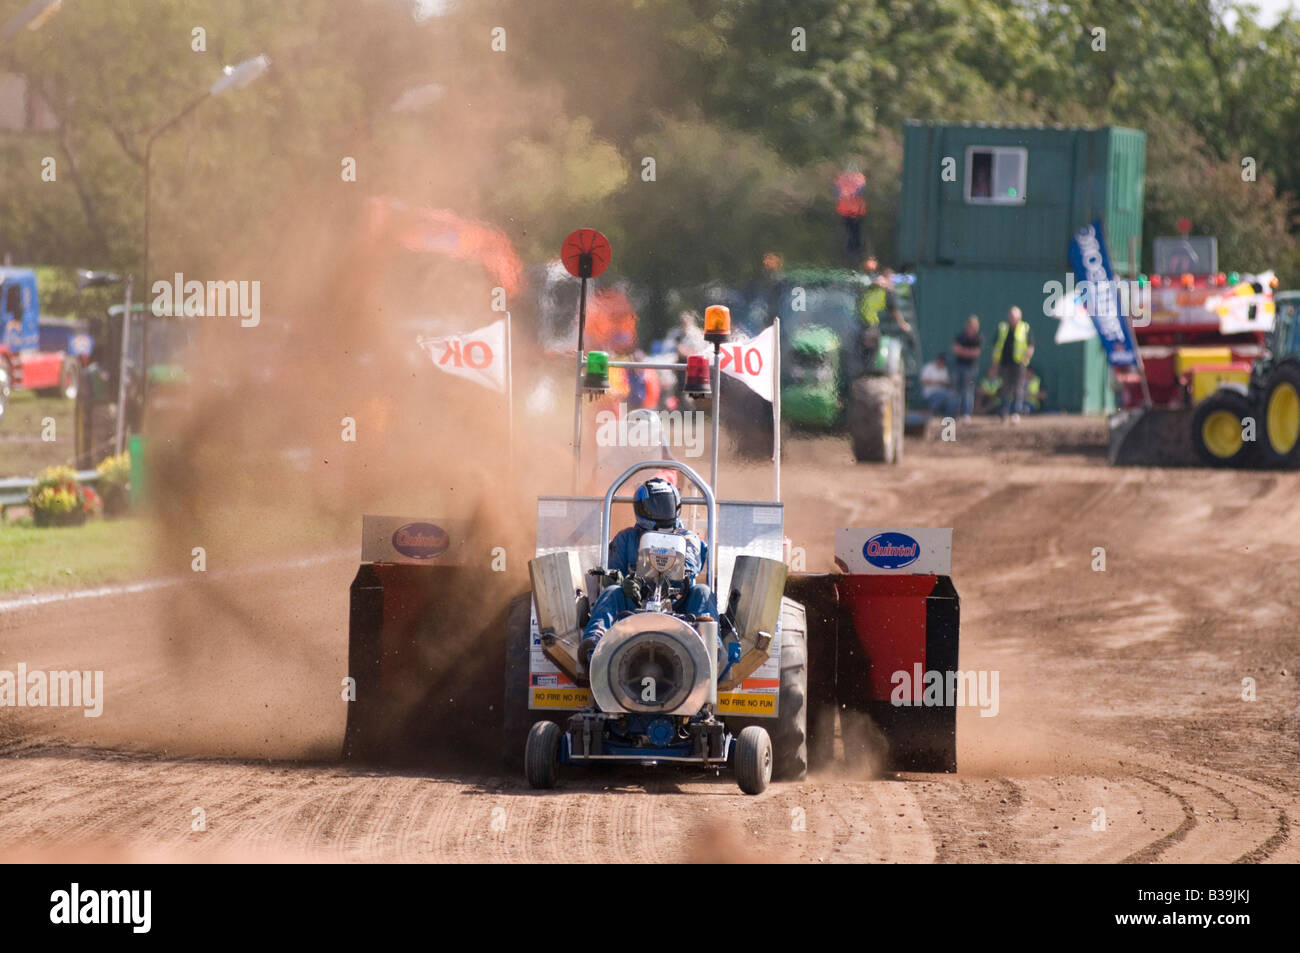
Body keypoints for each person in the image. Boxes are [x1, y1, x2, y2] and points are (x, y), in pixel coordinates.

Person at [581, 478, 716, 662]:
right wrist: (625, 581)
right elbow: (609, 578)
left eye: (666, 506)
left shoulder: (688, 539)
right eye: (656, 507)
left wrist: (671, 579)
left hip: (678, 607)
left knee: (702, 591)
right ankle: (594, 645)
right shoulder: (626, 539)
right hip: (635, 605)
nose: (662, 512)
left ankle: (711, 649)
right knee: (612, 592)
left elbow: (690, 571)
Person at [992, 306, 1034, 422]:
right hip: (1005, 363)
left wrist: (1025, 360)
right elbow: (996, 346)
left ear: (1019, 318)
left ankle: (1016, 412)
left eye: (1014, 317)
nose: (1012, 319)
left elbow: (1030, 346)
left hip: (1018, 364)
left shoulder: (1025, 328)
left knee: (1018, 388)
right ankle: (1003, 412)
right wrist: (995, 363)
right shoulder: (1003, 328)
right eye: (1010, 316)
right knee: (1005, 388)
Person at [951, 315, 983, 419]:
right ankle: (955, 413)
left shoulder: (978, 338)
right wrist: (967, 352)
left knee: (968, 390)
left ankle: (966, 414)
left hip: (970, 368)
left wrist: (963, 351)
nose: (970, 328)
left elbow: (976, 353)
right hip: (959, 366)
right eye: (969, 326)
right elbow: (955, 349)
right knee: (957, 390)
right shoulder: (961, 336)